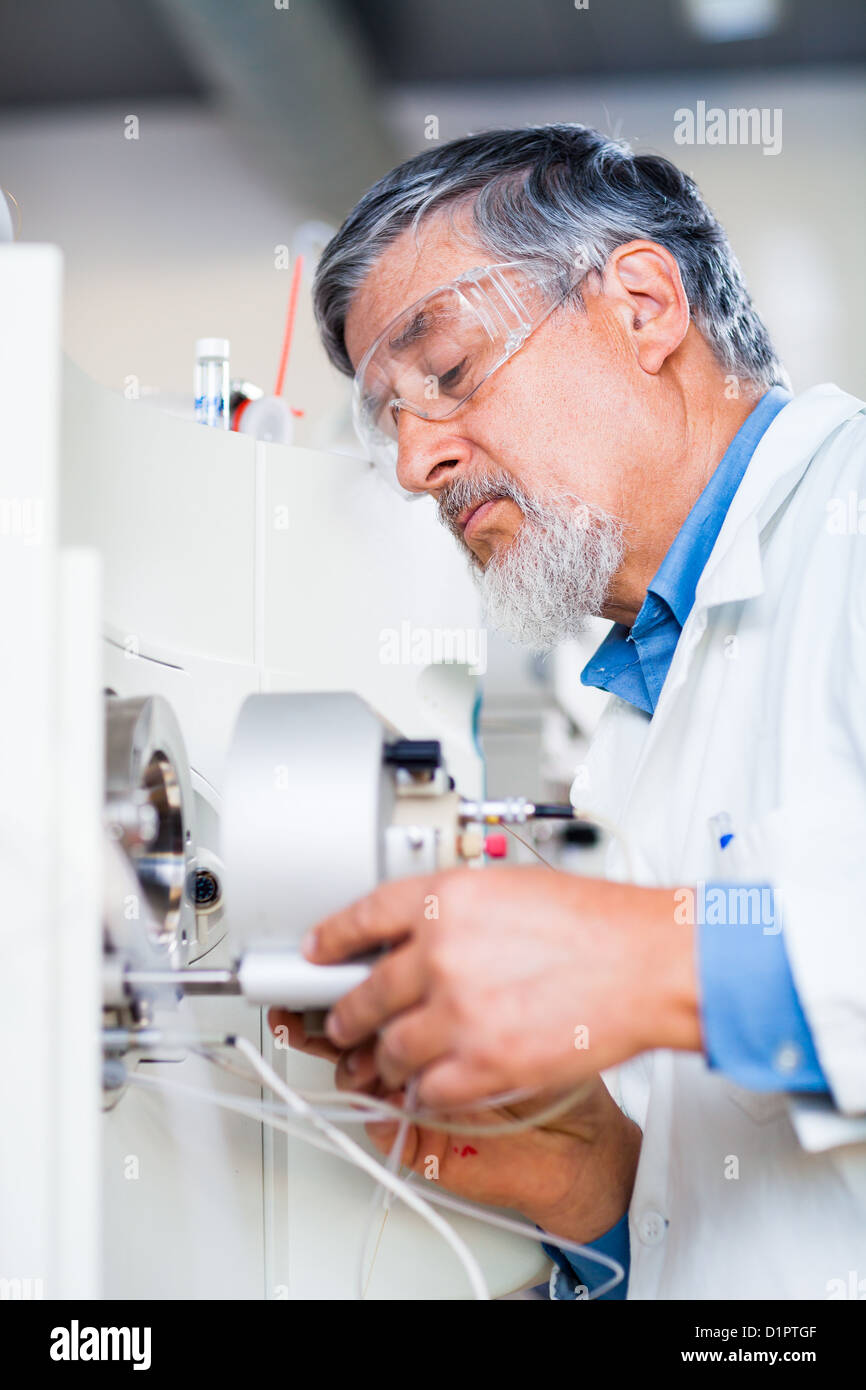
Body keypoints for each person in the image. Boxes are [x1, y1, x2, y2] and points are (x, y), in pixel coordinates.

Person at [272, 125, 866, 1299]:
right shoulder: (637, 716)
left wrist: (648, 961)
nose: (413, 464)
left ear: (642, 305)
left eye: (444, 372)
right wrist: (589, 1183)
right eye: (387, 415)